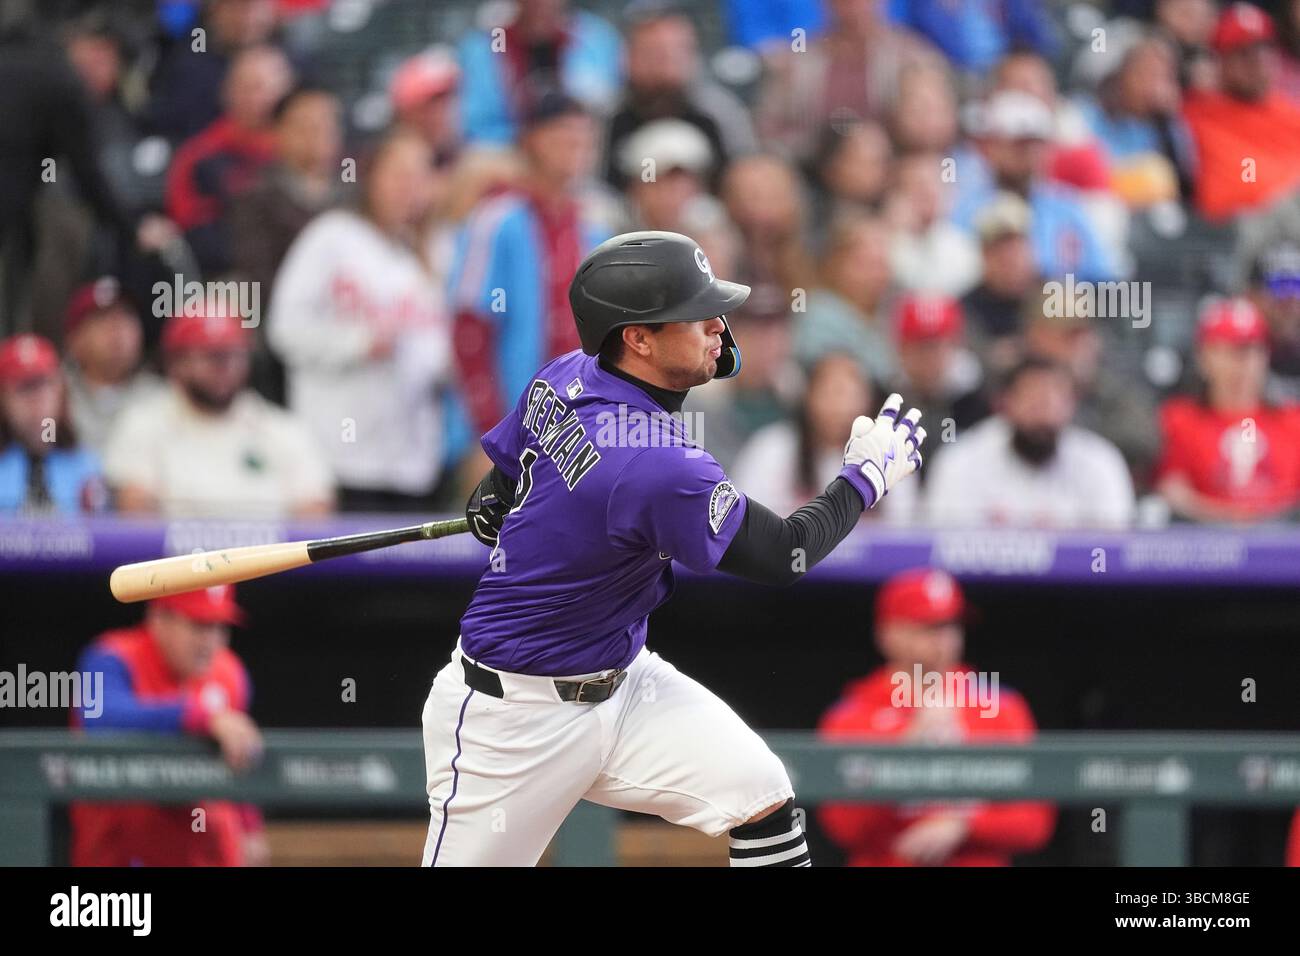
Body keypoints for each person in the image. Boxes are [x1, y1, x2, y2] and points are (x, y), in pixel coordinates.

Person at [422, 230, 927, 866]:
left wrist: (495, 499)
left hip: (625, 681)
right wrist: (863, 479)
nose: (718, 324)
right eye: (696, 315)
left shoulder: (566, 375)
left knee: (762, 795)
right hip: (512, 720)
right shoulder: (656, 462)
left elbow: (504, 477)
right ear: (638, 338)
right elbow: (783, 556)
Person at [817, 568, 1056, 867]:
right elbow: (843, 828)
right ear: (887, 634)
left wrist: (963, 824)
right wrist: (901, 755)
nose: (945, 638)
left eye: (952, 625)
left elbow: (1035, 823)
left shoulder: (1001, 705)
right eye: (928, 627)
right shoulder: (854, 712)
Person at [269, 130, 453, 511]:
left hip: (411, 463)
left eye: (420, 177)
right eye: (399, 175)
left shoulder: (436, 254)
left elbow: (445, 352)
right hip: (335, 456)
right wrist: (356, 343)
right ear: (371, 177)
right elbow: (283, 329)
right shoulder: (331, 237)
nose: (410, 189)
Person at [69, 585, 268, 867]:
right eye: (199, 625)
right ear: (159, 618)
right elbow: (99, 718)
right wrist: (198, 716)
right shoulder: (109, 657)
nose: (210, 642)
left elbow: (238, 758)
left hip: (209, 855)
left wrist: (249, 825)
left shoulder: (230, 672)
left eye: (219, 628)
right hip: (124, 864)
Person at [450, 91, 610, 439]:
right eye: (563, 134)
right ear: (531, 140)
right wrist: (491, 431)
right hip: (507, 424)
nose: (576, 146)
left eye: (584, 137)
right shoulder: (494, 219)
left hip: (576, 431)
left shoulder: (594, 227)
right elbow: (469, 328)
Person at [105, 311, 333, 518]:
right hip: (176, 561)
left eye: (235, 355)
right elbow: (135, 511)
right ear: (176, 363)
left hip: (270, 562)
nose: (225, 367)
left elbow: (314, 512)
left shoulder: (283, 429)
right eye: (212, 356)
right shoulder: (142, 424)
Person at [229, 84, 343, 402]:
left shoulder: (357, 195)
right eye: (305, 126)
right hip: (289, 334)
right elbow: (260, 278)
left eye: (325, 124)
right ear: (279, 133)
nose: (317, 134)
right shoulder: (256, 197)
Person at [924, 355, 1135, 527]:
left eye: (1054, 400)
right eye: (1033, 400)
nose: (1043, 414)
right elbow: (944, 545)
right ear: (1005, 404)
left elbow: (1114, 550)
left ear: (1072, 405)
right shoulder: (962, 459)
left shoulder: (1100, 461)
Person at [951, 90, 1120, 282]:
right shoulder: (968, 208)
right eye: (1019, 144)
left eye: (1036, 144)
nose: (1029, 154)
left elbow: (1102, 274)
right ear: (992, 146)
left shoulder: (1067, 207)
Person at [1155, 298, 1300, 522]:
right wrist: (1235, 523)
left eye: (1255, 350)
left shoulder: (1291, 421)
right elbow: (1173, 493)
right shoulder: (1181, 419)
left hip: (1285, 547)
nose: (1245, 363)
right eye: (1232, 351)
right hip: (1206, 548)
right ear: (1205, 356)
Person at [754, 0, 940, 163]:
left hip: (895, 173)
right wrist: (830, 151)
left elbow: (936, 126)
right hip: (814, 177)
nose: (855, 7)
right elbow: (769, 130)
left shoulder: (912, 57)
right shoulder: (797, 61)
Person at [165, 44, 294, 276]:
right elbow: (195, 235)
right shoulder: (199, 156)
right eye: (247, 88)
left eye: (265, 88)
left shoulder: (303, 152)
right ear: (227, 92)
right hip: (233, 277)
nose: (257, 98)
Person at [604, 1, 756, 191]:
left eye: (676, 53)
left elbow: (747, 181)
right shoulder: (606, 119)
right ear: (627, 59)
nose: (665, 67)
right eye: (653, 54)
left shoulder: (720, 115)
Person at [1182, 3, 1300, 221]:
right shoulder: (1195, 114)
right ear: (1219, 60)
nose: (1258, 61)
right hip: (1236, 231)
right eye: (1243, 52)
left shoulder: (1291, 113)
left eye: (1265, 49)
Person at [456, 0, 622, 146]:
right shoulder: (490, 44)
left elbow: (607, 105)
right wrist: (527, 140)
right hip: (510, 151)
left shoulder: (594, 38)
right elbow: (474, 124)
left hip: (580, 147)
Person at [732, 351, 875, 518]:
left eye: (852, 394)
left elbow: (904, 528)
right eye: (833, 392)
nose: (841, 406)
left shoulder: (880, 454)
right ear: (809, 395)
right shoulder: (773, 449)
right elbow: (742, 517)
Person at [0, 333, 106, 516]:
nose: (38, 400)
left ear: (62, 392)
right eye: (25, 387)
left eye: (46, 385)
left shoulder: (85, 465)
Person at [60, 276, 163, 455]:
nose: (118, 329)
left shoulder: (162, 397)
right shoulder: (53, 395)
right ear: (74, 340)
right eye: (102, 319)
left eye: (128, 317)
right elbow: (44, 452)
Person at [793, 213, 898, 386]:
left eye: (882, 264)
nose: (877, 275)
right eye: (866, 264)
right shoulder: (818, 315)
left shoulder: (888, 311)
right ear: (836, 263)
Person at [389, 48, 461, 169]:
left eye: (447, 98)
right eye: (430, 104)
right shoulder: (396, 170)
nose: (441, 111)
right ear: (407, 114)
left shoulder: (467, 158)